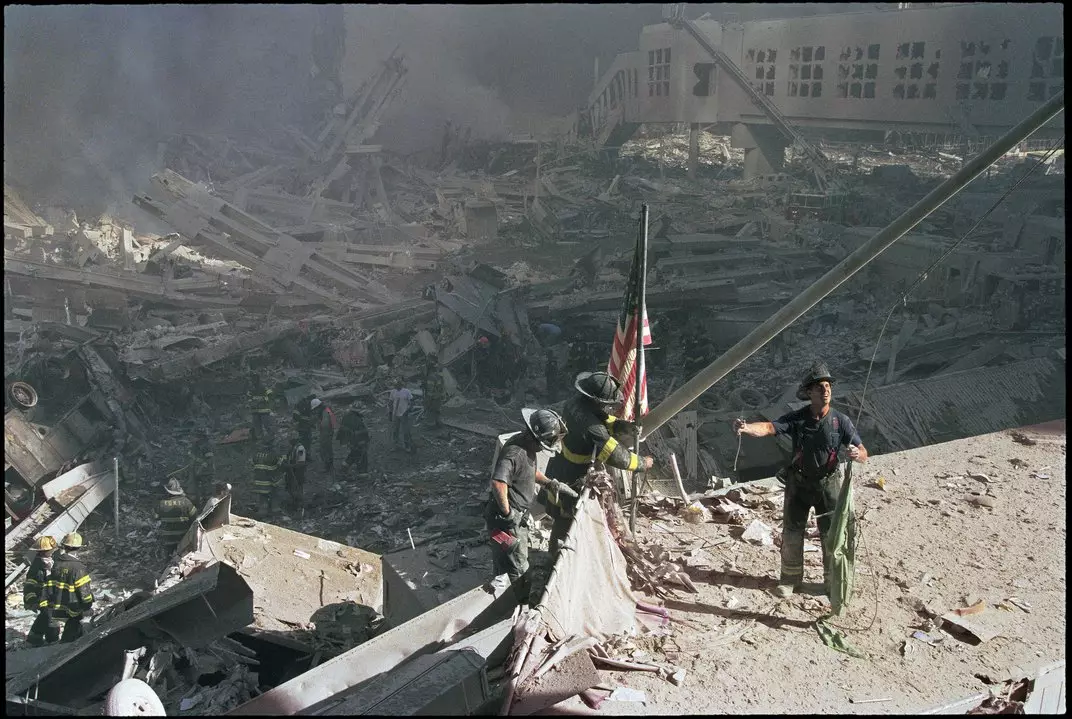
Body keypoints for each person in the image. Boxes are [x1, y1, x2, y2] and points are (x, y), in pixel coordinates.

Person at [733, 362, 868, 599]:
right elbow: (768, 427)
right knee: (793, 533)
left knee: (833, 536)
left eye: (827, 386)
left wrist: (857, 455)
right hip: (799, 484)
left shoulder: (841, 421)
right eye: (819, 387)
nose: (825, 390)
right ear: (808, 393)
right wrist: (745, 428)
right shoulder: (797, 418)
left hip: (829, 485)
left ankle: (832, 583)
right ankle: (789, 580)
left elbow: (863, 452)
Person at [543, 371, 655, 553]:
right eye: (607, 404)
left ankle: (556, 551)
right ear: (598, 401)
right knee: (571, 517)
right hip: (575, 474)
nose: (609, 408)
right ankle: (562, 556)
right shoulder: (592, 426)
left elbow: (601, 419)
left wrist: (622, 426)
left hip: (560, 464)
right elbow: (616, 455)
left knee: (561, 516)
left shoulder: (574, 403)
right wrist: (642, 463)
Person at [485, 408, 572, 602]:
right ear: (536, 438)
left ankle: (500, 591)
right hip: (505, 521)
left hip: (509, 517)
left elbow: (528, 471)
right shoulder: (515, 452)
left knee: (504, 558)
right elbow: (498, 482)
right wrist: (508, 515)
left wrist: (549, 483)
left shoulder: (526, 445)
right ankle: (518, 604)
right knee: (518, 566)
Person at [42, 532, 94, 643]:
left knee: (53, 625)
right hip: (73, 605)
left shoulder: (56, 562)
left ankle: (51, 642)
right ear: (79, 548)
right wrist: (87, 605)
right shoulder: (78, 567)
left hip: (57, 603)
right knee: (73, 625)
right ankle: (66, 646)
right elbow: (84, 592)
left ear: (64, 546)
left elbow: (51, 584)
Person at [24, 535, 57, 646]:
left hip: (51, 595)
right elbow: (30, 584)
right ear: (44, 551)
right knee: (47, 617)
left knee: (50, 617)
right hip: (42, 597)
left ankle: (50, 639)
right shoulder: (37, 565)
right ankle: (35, 639)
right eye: (50, 550)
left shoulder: (51, 561)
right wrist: (32, 600)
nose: (52, 551)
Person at [155, 478, 197, 554]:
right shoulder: (186, 502)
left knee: (169, 557)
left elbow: (156, 517)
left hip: (168, 539)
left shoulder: (161, 504)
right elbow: (195, 518)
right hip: (183, 538)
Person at [250, 435, 284, 517]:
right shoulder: (273, 455)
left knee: (262, 497)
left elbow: (252, 465)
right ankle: (275, 510)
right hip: (269, 481)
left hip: (258, 481)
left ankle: (262, 512)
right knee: (274, 495)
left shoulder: (256, 455)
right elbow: (280, 466)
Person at [186, 429, 216, 508]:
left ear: (199, 437)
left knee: (206, 491)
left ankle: (208, 507)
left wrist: (201, 468)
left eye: (194, 436)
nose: (192, 438)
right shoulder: (195, 446)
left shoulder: (206, 446)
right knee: (196, 491)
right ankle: (199, 506)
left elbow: (209, 459)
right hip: (197, 473)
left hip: (206, 473)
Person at [338, 408, 370, 476]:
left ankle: (344, 466)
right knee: (362, 455)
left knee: (353, 453)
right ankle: (362, 472)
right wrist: (365, 441)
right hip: (357, 440)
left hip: (348, 440)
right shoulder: (358, 421)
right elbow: (362, 433)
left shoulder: (346, 417)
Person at [311, 398, 338, 474]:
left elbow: (325, 425)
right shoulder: (326, 409)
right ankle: (329, 466)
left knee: (325, 449)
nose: (315, 411)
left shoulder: (325, 412)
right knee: (327, 449)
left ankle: (328, 467)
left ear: (318, 407)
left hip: (326, 433)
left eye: (315, 409)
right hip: (328, 432)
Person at [283, 432, 308, 511]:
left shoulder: (300, 449)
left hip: (298, 472)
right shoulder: (292, 448)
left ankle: (300, 506)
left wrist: (290, 466)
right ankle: (294, 503)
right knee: (291, 488)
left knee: (297, 488)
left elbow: (301, 463)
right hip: (291, 472)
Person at [388, 380, 414, 452]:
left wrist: (408, 410)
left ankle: (407, 446)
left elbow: (411, 402)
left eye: (397, 385)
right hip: (395, 414)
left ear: (401, 384)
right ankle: (395, 445)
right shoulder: (393, 392)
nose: (396, 386)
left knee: (405, 431)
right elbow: (390, 402)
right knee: (395, 430)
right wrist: (390, 412)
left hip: (403, 414)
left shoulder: (406, 391)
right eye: (395, 385)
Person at [248, 373, 273, 441]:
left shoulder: (264, 386)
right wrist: (250, 402)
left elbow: (270, 395)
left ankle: (272, 438)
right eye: (252, 379)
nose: (253, 380)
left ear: (257, 379)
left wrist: (263, 399)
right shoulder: (251, 388)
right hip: (255, 410)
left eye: (254, 378)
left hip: (264, 410)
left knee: (267, 425)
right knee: (257, 426)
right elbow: (249, 397)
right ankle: (261, 440)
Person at [292, 394, 316, 465]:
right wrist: (305, 420)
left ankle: (307, 456)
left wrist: (311, 423)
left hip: (307, 427)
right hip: (301, 427)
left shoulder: (309, 404)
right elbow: (295, 416)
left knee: (308, 441)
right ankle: (300, 458)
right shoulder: (300, 404)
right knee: (301, 443)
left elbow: (311, 414)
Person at [422, 362, 445, 428]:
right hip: (439, 397)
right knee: (437, 412)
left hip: (433, 399)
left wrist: (427, 401)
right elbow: (442, 387)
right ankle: (438, 424)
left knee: (430, 412)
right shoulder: (439, 376)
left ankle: (431, 426)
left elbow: (430, 391)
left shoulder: (431, 377)